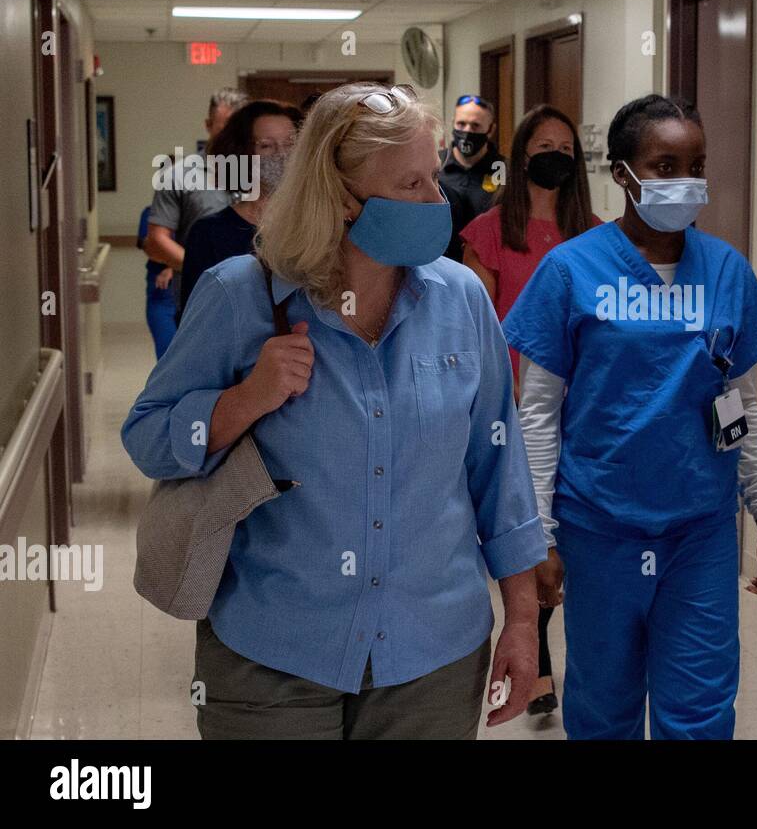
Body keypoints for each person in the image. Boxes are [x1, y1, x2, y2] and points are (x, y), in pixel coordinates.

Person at [122, 82, 547, 739]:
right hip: (273, 653)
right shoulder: (242, 295)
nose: (437, 202)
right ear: (338, 195)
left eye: (435, 176)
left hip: (432, 655)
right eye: (411, 185)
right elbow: (148, 435)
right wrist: (242, 401)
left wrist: (522, 621)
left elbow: (500, 470)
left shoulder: (460, 301)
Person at [503, 94, 757, 740]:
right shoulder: (570, 270)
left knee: (701, 711)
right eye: (664, 165)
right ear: (622, 173)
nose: (683, 180)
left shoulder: (726, 270)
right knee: (604, 707)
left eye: (695, 163)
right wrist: (540, 535)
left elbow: (740, 403)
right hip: (599, 525)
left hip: (701, 529)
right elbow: (540, 415)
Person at [460, 103, 602, 717]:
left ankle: (580, 658)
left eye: (567, 151)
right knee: (528, 530)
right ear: (519, 158)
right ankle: (538, 660)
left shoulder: (597, 236)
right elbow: (475, 327)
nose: (556, 157)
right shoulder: (489, 231)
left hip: (584, 409)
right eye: (545, 147)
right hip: (511, 407)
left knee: (573, 531)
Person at [178, 100, 303, 317]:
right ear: (243, 154)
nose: (282, 155)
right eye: (266, 145)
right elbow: (195, 322)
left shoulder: (321, 225)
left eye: (290, 144)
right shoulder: (210, 233)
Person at [144, 86, 248, 307]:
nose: (232, 137)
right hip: (199, 300)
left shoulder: (260, 174)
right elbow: (157, 240)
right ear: (208, 126)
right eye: (225, 129)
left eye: (239, 130)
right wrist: (207, 271)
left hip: (254, 299)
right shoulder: (178, 176)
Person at [439, 94, 506, 262]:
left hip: (488, 265)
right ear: (453, 123)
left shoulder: (506, 170)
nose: (467, 131)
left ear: (490, 130)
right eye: (461, 124)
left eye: (475, 126)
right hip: (441, 264)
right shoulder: (434, 164)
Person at [136, 206, 176, 359]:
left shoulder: (205, 211)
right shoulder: (152, 213)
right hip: (162, 289)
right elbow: (151, 247)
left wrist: (174, 268)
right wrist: (175, 266)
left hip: (194, 288)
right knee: (168, 354)